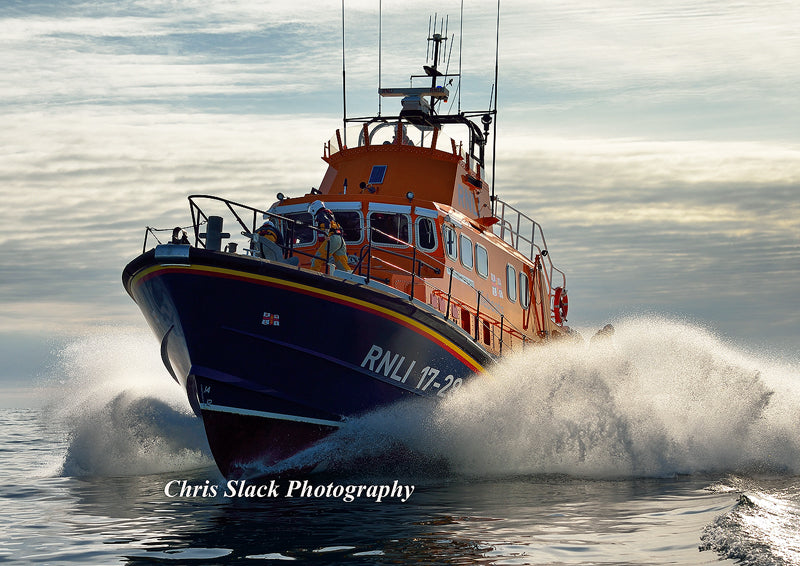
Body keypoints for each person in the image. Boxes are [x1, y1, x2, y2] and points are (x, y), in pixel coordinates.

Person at [308, 200, 351, 273]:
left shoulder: (321, 214)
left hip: (332, 238)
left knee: (317, 259)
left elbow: (326, 223)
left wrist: (326, 234)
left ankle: (312, 275)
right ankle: (350, 277)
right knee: (342, 263)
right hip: (340, 239)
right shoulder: (330, 214)